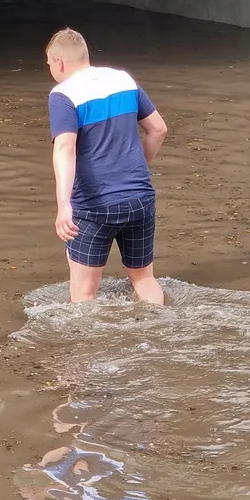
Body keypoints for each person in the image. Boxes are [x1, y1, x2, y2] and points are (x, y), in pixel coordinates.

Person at [45, 28, 168, 304]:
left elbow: (65, 148)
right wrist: (137, 169)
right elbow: (158, 129)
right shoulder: (123, 80)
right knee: (144, 279)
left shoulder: (63, 94)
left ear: (59, 62)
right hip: (140, 199)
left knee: (84, 292)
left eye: (49, 62)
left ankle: (89, 335)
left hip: (94, 206)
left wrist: (64, 205)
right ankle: (160, 325)